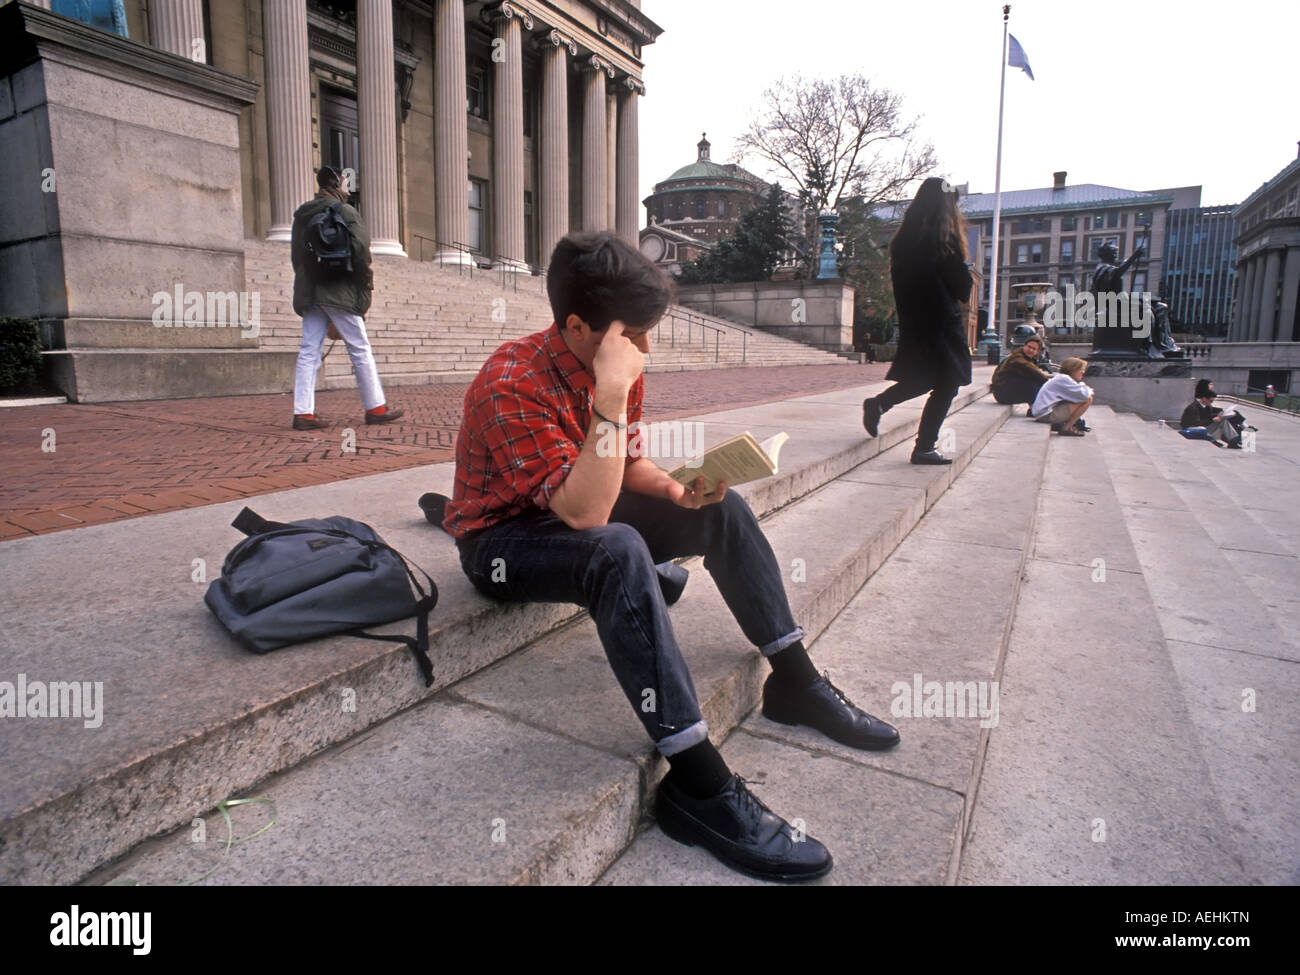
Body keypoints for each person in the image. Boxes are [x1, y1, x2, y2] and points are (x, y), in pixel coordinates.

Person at [443, 231, 900, 882]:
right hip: (501, 539)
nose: (647, 349)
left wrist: (676, 489)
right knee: (617, 548)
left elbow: (624, 463)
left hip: (575, 498)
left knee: (721, 507)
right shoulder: (509, 379)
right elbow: (585, 517)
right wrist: (606, 398)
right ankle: (697, 783)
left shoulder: (617, 361)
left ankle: (797, 680)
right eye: (636, 334)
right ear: (576, 326)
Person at [861, 177, 972, 464]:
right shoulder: (944, 241)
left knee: (924, 379)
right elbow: (962, 289)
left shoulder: (903, 240)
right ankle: (924, 447)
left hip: (915, 324)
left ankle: (879, 403)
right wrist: (964, 271)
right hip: (942, 326)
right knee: (947, 384)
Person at [289, 165, 403, 430]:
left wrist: (308, 282)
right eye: (345, 184)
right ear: (337, 187)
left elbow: (297, 257)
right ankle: (375, 407)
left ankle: (303, 413)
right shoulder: (347, 212)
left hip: (311, 289)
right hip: (340, 288)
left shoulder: (302, 216)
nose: (348, 189)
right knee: (359, 348)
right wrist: (363, 287)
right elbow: (361, 252)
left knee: (309, 350)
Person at [1031, 356, 1093, 436]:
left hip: (1041, 413)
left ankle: (1069, 426)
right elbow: (1085, 395)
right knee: (1088, 399)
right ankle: (1067, 428)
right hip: (1045, 415)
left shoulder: (1062, 378)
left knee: (1075, 399)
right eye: (1081, 370)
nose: (1083, 372)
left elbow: (1078, 394)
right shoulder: (1064, 379)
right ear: (1072, 369)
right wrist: (1083, 385)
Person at [991, 335, 1051, 413]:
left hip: (1006, 389)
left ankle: (1036, 408)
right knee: (1032, 383)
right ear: (1024, 346)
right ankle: (1036, 409)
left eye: (1034, 349)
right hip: (1001, 393)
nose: (1030, 350)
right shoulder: (1017, 358)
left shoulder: (1028, 358)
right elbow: (1034, 372)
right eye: (1029, 347)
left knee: (1034, 382)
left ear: (1037, 351)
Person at [1180, 379, 1242, 448]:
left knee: (1223, 421)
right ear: (1204, 398)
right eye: (1210, 401)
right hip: (1190, 428)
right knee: (1202, 428)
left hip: (1201, 426)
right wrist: (1212, 420)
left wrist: (1218, 415)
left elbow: (1208, 416)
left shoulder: (1207, 406)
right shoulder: (1193, 408)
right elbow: (1196, 423)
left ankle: (1232, 440)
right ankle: (1214, 440)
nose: (1211, 403)